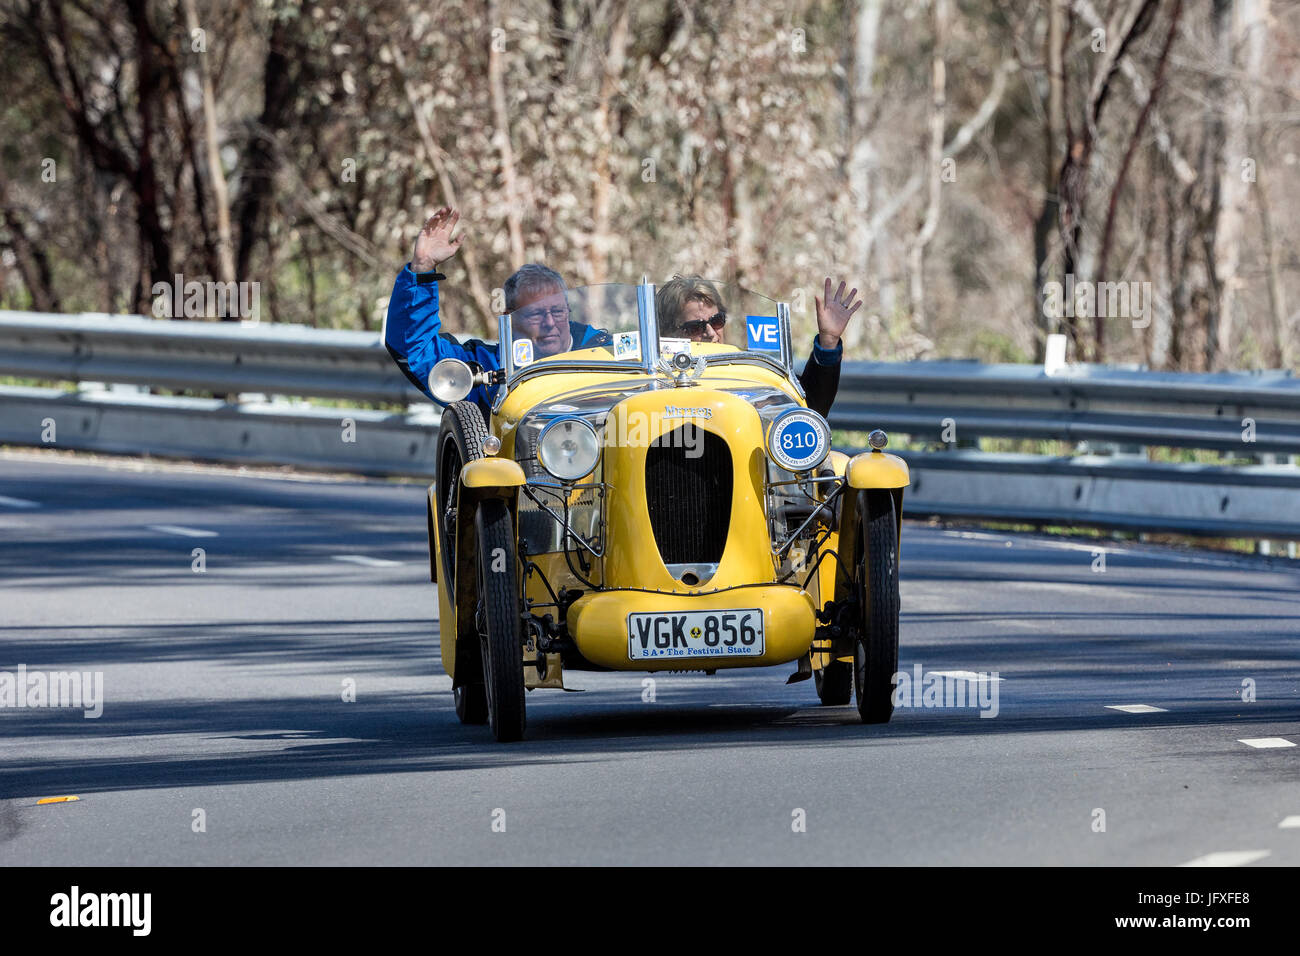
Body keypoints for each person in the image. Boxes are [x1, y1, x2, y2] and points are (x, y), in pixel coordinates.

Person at [384, 207, 607, 411]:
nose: (549, 323)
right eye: (536, 314)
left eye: (557, 311)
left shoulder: (602, 350)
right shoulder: (485, 369)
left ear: (568, 311)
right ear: (509, 319)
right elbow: (415, 350)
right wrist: (422, 269)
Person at [655, 274, 861, 419]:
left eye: (717, 320)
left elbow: (808, 411)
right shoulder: (651, 379)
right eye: (694, 327)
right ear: (668, 332)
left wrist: (828, 341)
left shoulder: (749, 371)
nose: (710, 333)